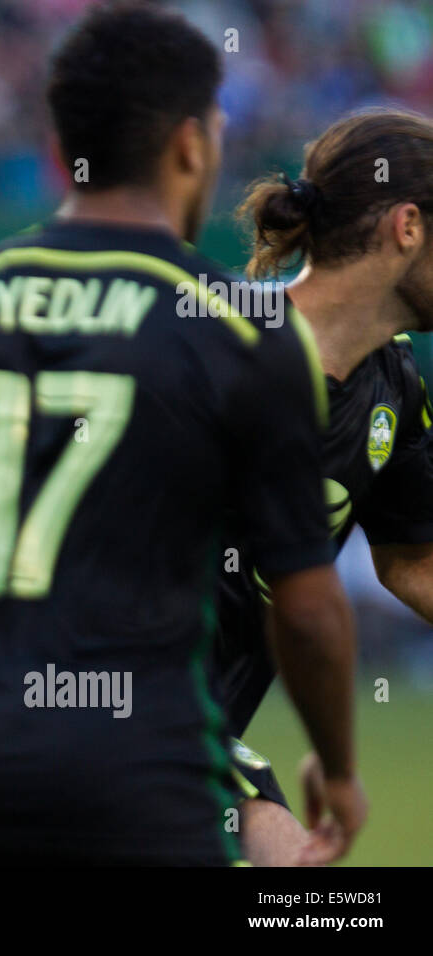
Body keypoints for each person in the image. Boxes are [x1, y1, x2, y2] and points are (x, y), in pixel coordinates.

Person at [0, 1, 365, 867]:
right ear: (192, 146)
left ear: (61, 146)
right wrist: (340, 767)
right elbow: (307, 605)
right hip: (152, 771)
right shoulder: (243, 331)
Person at [219, 107, 433, 865]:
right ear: (407, 226)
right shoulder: (218, 346)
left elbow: (414, 560)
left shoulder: (392, 384)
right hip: (104, 709)